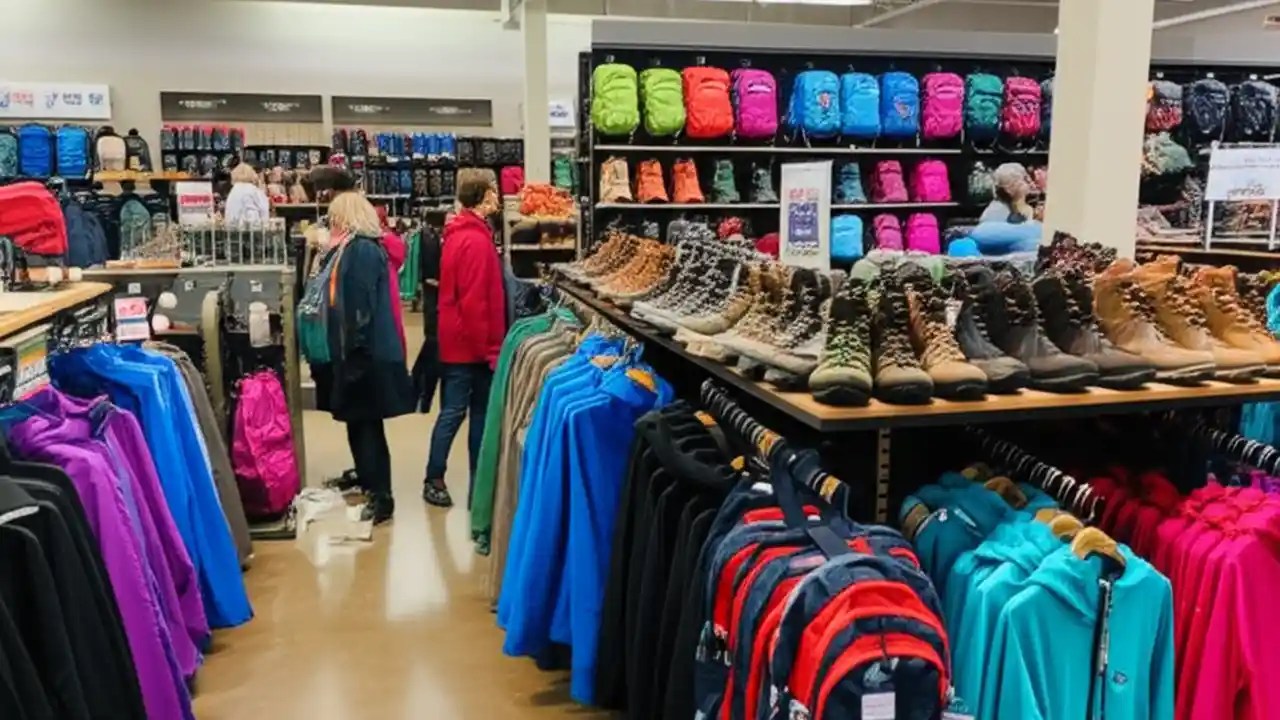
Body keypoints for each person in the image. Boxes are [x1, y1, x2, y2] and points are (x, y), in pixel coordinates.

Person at [314, 190, 414, 524]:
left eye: (333, 218)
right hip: (362, 351)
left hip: (365, 354)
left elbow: (359, 309)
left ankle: (381, 496)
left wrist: (354, 354)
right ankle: (370, 483)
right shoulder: (357, 249)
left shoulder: (361, 252)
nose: (330, 224)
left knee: (367, 424)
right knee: (360, 423)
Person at [423, 178, 505, 508]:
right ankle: (469, 482)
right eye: (493, 192)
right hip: (471, 346)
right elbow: (474, 301)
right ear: (482, 198)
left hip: (458, 341)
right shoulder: (475, 241)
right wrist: (490, 349)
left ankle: (445, 477)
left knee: (454, 412)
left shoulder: (459, 235)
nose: (498, 198)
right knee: (472, 413)